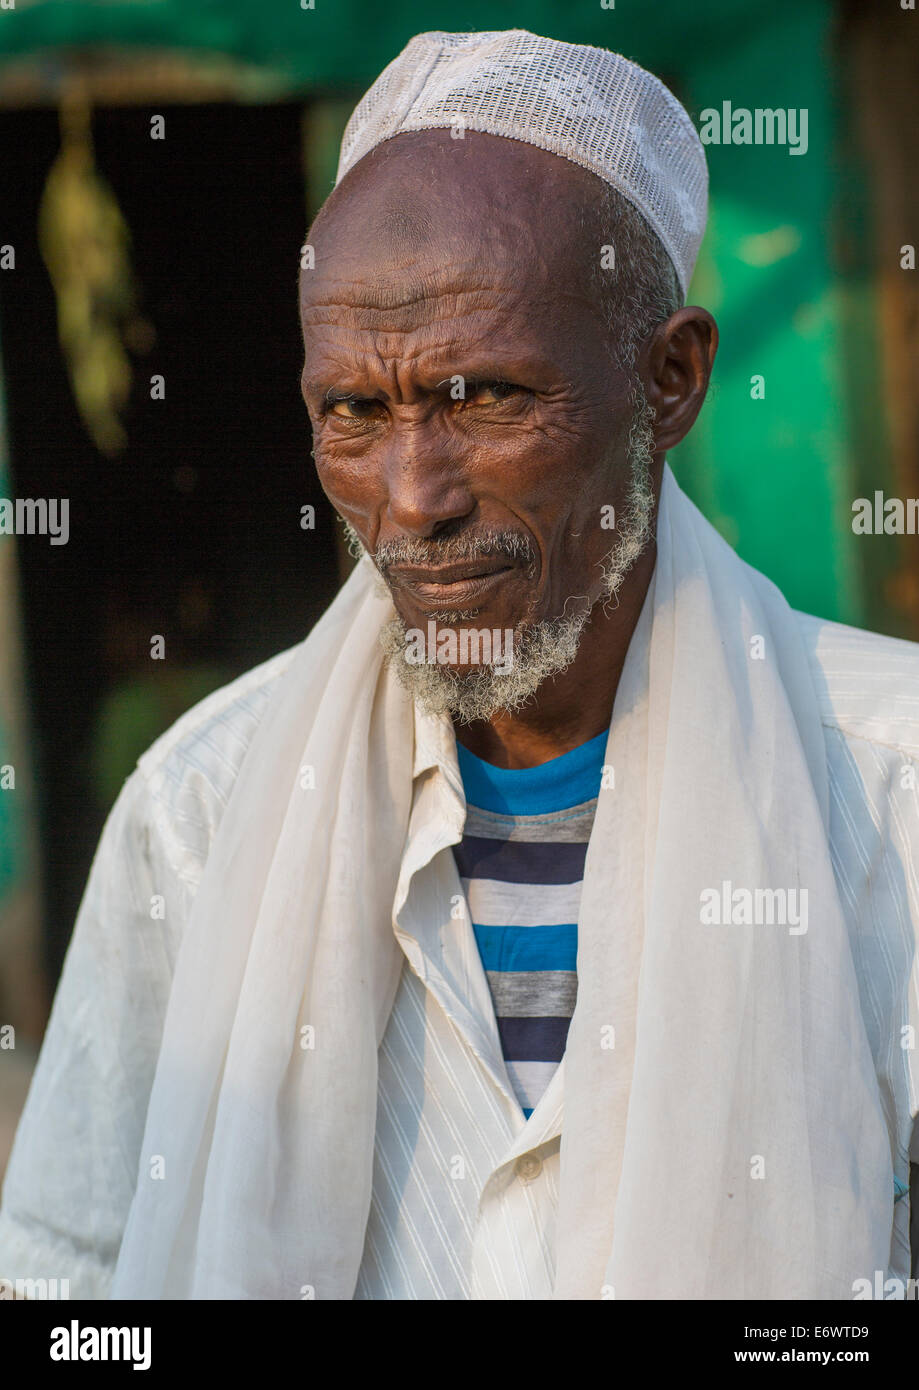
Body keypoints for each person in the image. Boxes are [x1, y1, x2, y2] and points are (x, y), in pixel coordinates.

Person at [1, 29, 917, 1302]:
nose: (413, 498)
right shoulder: (200, 812)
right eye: (354, 414)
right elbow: (66, 1277)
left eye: (484, 396)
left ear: (670, 380)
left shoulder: (892, 800)